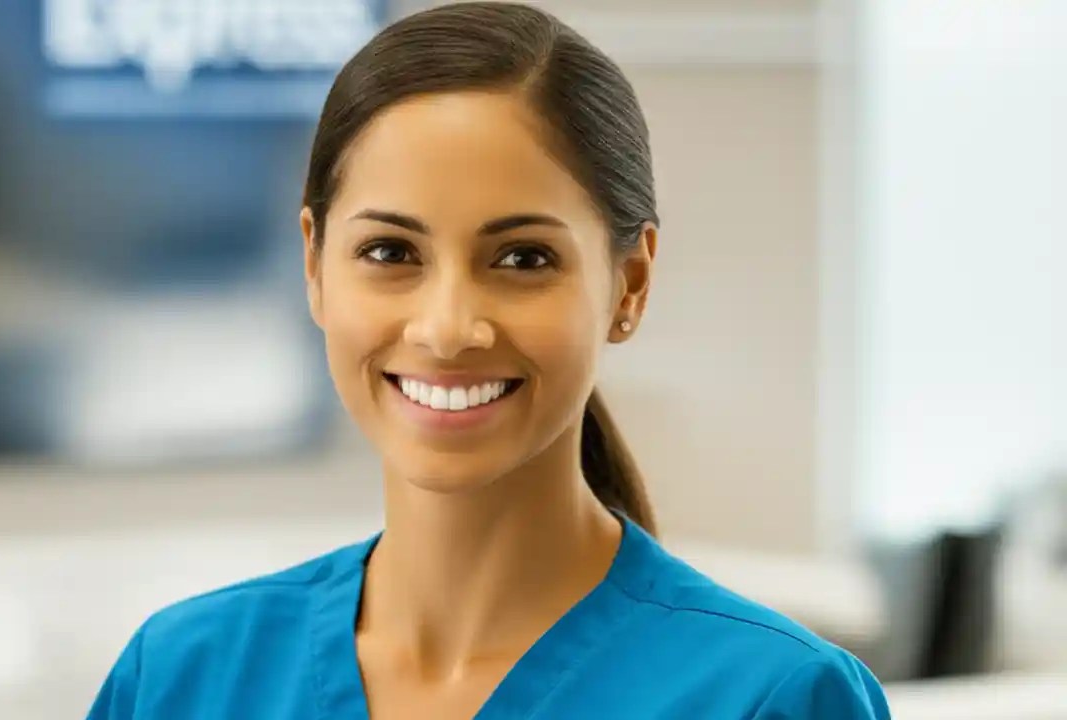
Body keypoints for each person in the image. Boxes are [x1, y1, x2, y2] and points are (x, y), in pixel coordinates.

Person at [86, 3, 891, 718]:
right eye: (390, 250)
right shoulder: (182, 678)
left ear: (629, 284)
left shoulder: (772, 698)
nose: (447, 328)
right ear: (313, 267)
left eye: (523, 259)